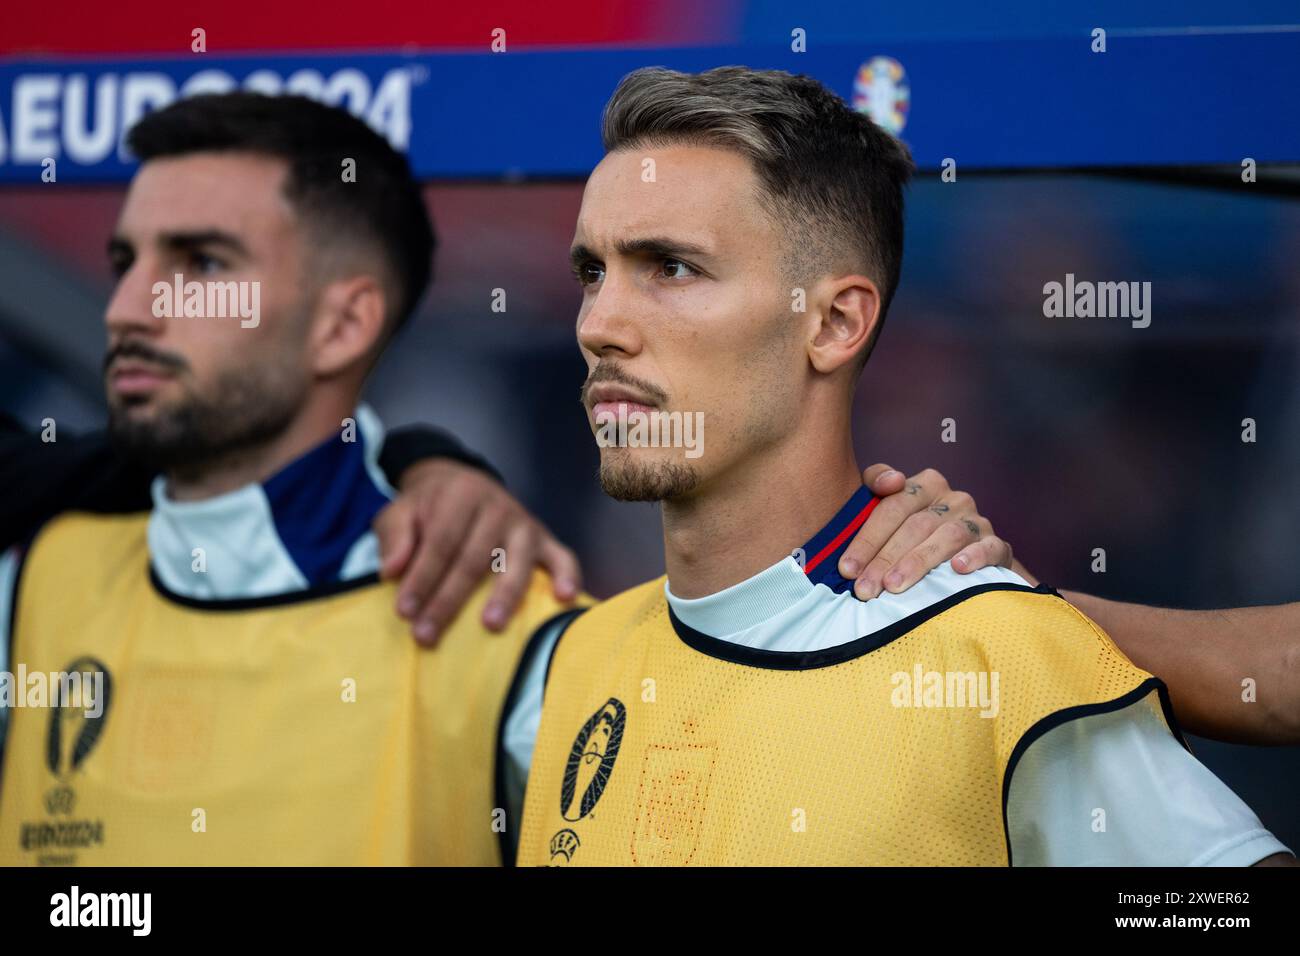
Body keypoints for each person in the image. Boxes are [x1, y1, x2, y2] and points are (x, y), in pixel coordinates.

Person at [511, 66, 1294, 866]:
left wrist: (1031, 625)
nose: (598, 324)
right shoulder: (562, 668)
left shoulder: (1000, 657)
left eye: (672, 268)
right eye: (592, 272)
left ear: (835, 323)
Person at [0, 92, 587, 865]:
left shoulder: (518, 634)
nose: (127, 309)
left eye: (201, 263)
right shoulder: (31, 580)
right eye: (124, 262)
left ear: (342, 325)